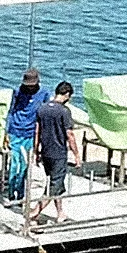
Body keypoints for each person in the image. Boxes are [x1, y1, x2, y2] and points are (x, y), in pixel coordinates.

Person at [33, 81, 79, 221]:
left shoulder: (42, 108)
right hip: (58, 153)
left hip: (45, 152)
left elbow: (37, 132)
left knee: (56, 184)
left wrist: (36, 151)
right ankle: (33, 214)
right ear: (67, 95)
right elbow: (70, 135)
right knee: (54, 186)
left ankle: (60, 213)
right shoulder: (64, 111)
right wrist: (76, 155)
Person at [3, 68, 48, 201]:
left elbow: (44, 115)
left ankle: (21, 192)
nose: (29, 88)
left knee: (25, 165)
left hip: (30, 133)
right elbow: (11, 110)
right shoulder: (18, 91)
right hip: (15, 131)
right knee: (14, 164)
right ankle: (11, 193)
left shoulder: (44, 93)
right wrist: (6, 131)